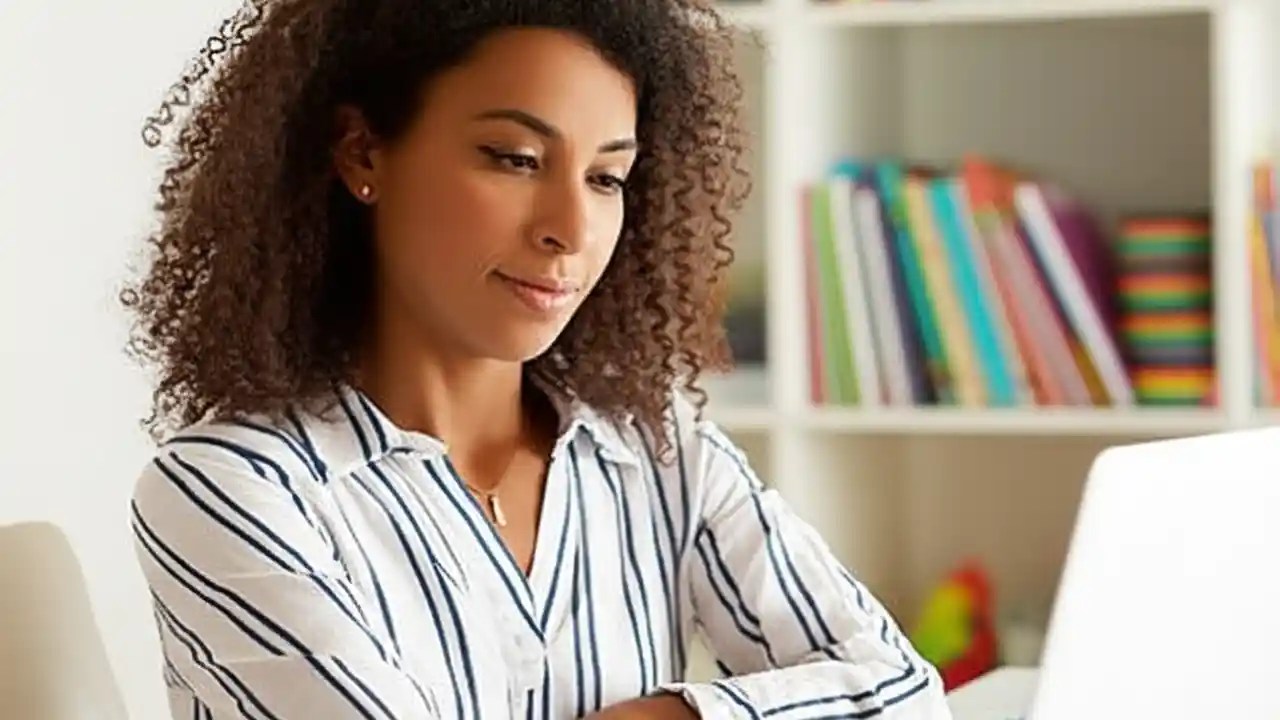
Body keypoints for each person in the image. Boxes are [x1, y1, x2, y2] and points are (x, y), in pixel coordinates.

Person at [120, 0, 951, 718]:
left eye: (607, 177)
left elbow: (904, 692)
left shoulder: (658, 449)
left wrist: (671, 716)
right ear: (362, 153)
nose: (571, 231)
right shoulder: (231, 490)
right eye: (515, 160)